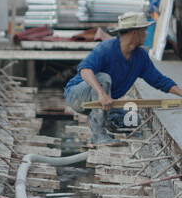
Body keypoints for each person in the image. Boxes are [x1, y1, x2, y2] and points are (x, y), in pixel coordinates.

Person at [64, 11, 182, 144]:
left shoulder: (140, 57)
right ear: (134, 33)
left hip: (104, 102)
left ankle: (105, 121)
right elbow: (85, 70)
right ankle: (98, 135)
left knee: (132, 120)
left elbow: (159, 80)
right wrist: (101, 94)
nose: (147, 34)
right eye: (144, 30)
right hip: (77, 96)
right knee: (103, 78)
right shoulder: (106, 49)